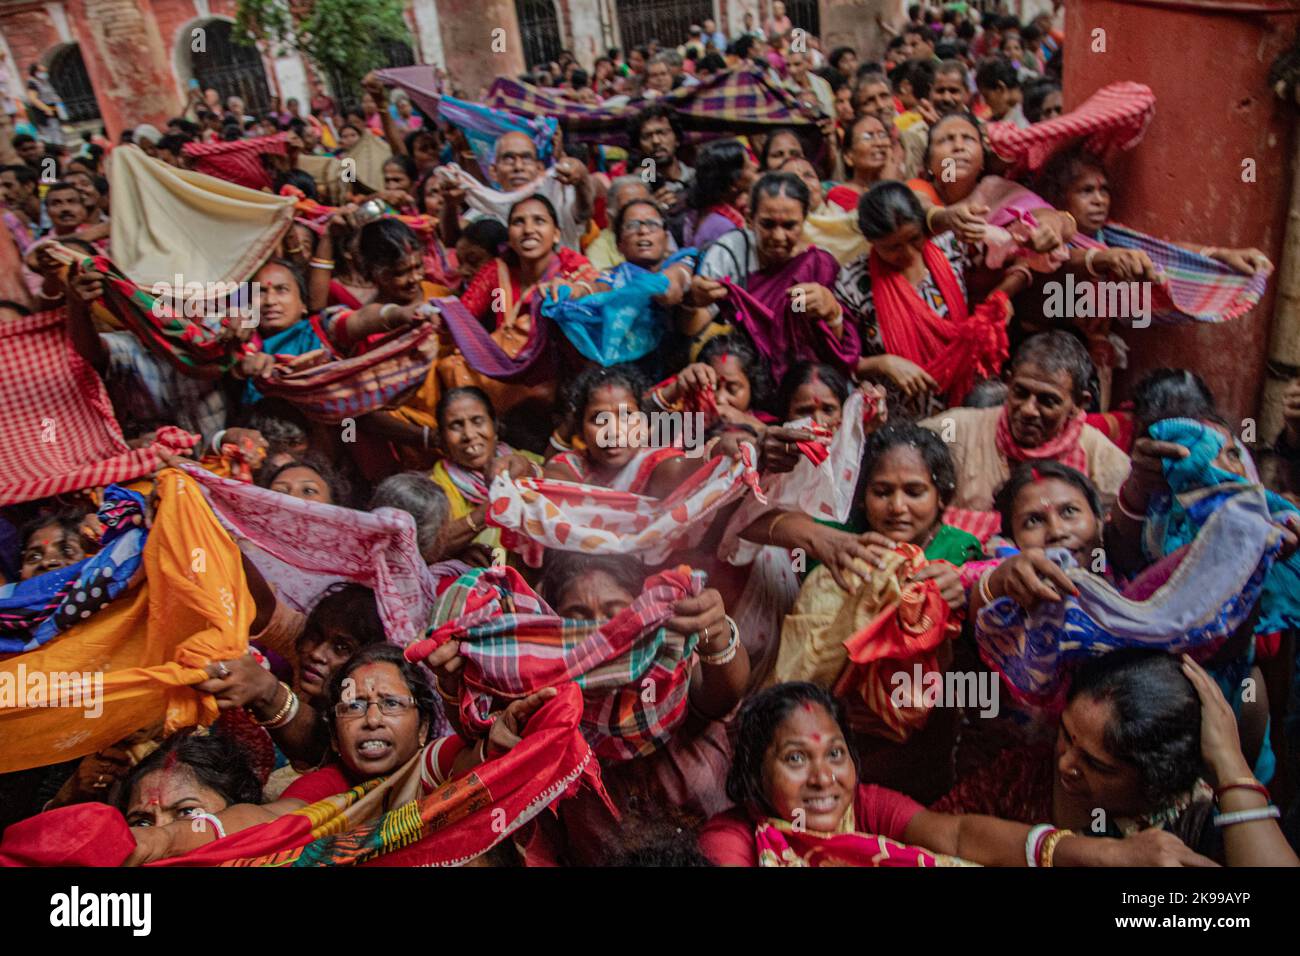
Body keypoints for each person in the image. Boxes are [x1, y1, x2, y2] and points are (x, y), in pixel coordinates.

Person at [124, 643, 552, 864]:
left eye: (390, 704)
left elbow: (466, 768)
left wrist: (497, 748)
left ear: (423, 727)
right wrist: (163, 839)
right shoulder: (329, 788)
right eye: (353, 706)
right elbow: (272, 821)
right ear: (333, 736)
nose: (371, 719)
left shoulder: (433, 763)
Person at [698, 682, 1207, 866]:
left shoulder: (866, 808)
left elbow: (960, 835)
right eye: (794, 759)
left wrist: (1108, 855)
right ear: (753, 773)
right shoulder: (730, 840)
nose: (823, 778)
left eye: (836, 755)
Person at [934, 651, 1298, 866]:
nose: (1065, 764)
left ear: (1157, 783)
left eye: (1096, 765)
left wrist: (1229, 763)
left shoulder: (1198, 826)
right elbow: (933, 831)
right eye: (1065, 734)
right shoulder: (1023, 774)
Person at [838, 180, 1019, 412]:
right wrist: (883, 364)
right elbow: (841, 359)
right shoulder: (854, 283)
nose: (908, 253)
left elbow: (1017, 254)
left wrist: (1000, 301)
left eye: (914, 239)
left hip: (964, 406)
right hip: (901, 420)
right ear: (871, 241)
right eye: (892, 248)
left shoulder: (951, 247)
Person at [919, 332, 1131, 512]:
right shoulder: (955, 428)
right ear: (1008, 383)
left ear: (1079, 404)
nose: (1029, 410)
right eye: (1020, 393)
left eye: (1047, 401)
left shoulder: (1103, 458)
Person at [689, 171, 859, 384]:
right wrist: (692, 301)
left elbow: (835, 350)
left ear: (805, 220)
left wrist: (833, 313)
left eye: (789, 226)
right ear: (750, 220)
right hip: (746, 378)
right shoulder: (731, 251)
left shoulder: (817, 265)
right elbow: (693, 326)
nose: (778, 237)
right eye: (768, 225)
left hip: (804, 383)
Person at [430, 386, 541, 559]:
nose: (469, 434)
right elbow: (429, 548)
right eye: (456, 425)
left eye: (477, 421)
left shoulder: (529, 463)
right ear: (442, 439)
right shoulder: (434, 488)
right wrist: (495, 506)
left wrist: (533, 473)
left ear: (495, 427)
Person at [683, 138, 757, 249]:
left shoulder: (703, 213)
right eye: (747, 166)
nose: (755, 166)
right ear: (732, 183)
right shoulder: (722, 227)